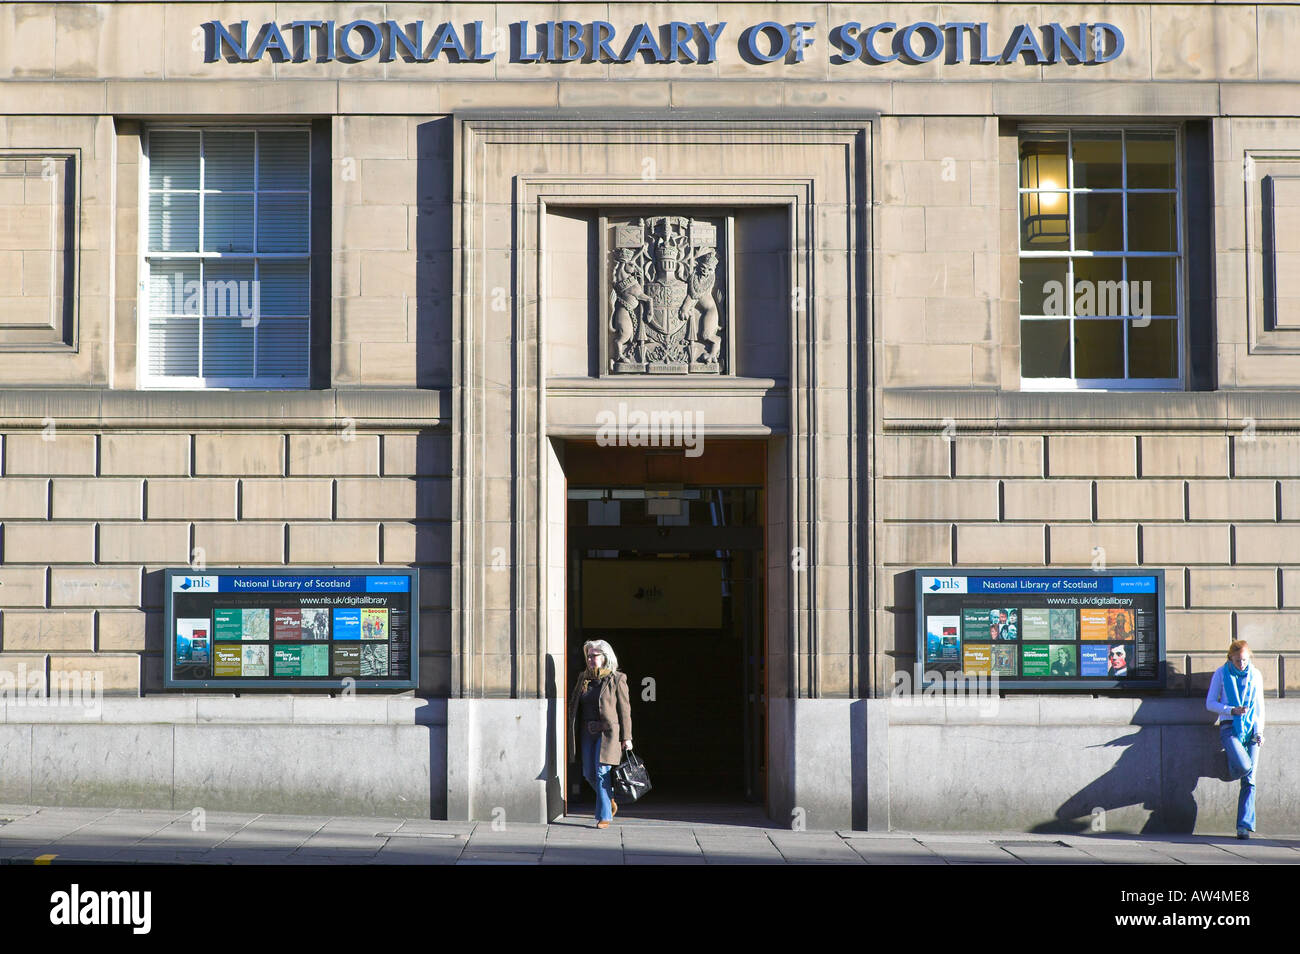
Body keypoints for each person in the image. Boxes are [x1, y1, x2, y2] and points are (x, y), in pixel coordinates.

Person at [567, 639, 633, 829]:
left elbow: (625, 710)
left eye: (594, 656)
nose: (590, 659)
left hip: (608, 733)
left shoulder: (617, 678)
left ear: (605, 657)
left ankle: (604, 816)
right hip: (587, 732)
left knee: (602, 772)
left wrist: (627, 737)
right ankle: (609, 799)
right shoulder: (583, 678)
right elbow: (574, 704)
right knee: (588, 773)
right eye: (588, 656)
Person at [1205, 640, 1265, 839]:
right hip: (1229, 727)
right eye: (1238, 660)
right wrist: (1231, 710)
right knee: (1244, 767)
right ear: (1230, 657)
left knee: (1250, 780)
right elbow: (1210, 703)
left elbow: (1259, 708)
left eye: (1245, 660)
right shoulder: (1222, 673)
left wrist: (1259, 732)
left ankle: (1243, 826)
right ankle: (1231, 770)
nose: (1242, 664)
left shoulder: (1255, 675)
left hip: (1251, 730)